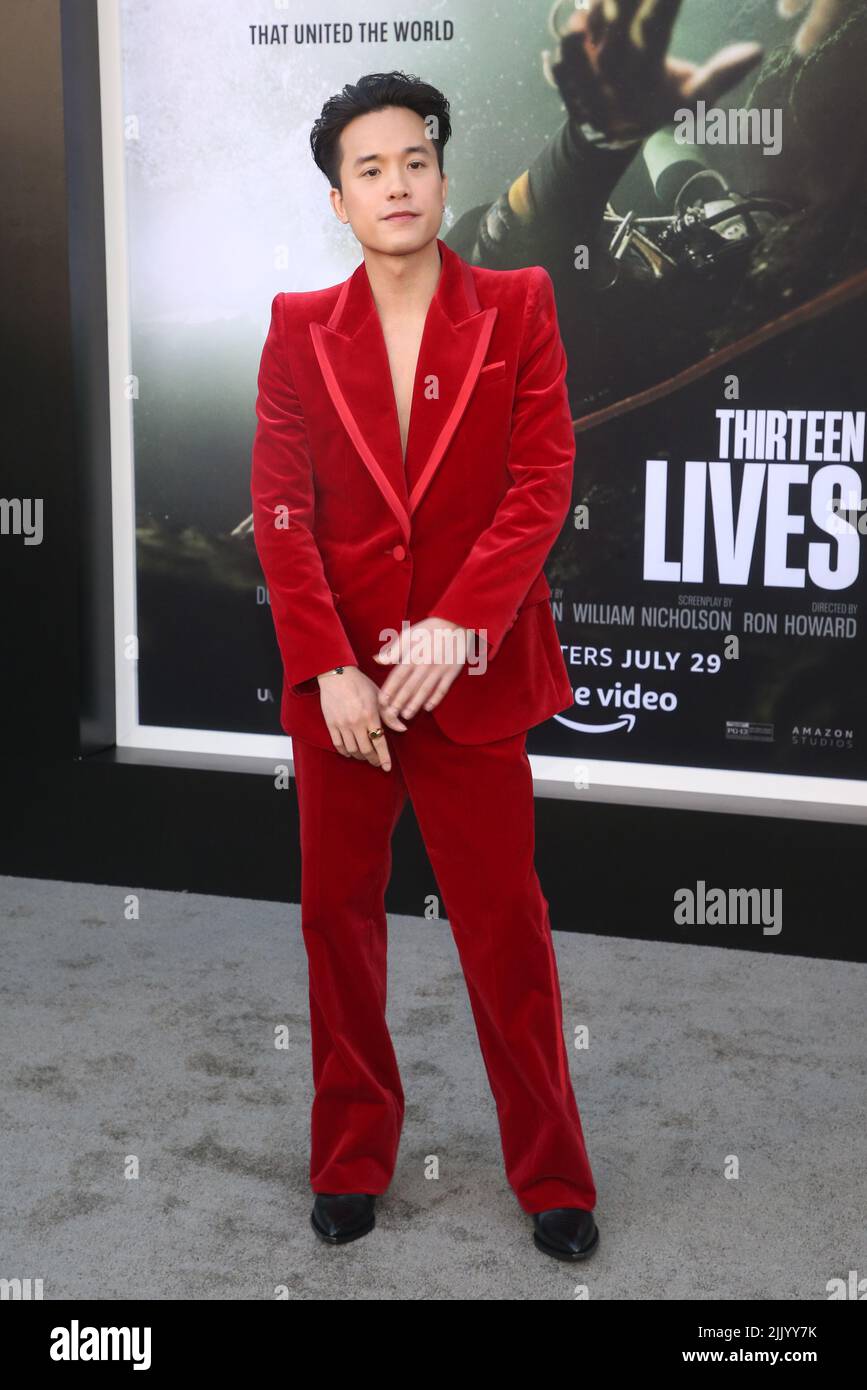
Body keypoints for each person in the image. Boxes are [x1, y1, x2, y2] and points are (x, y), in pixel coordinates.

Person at [250, 71, 598, 1261]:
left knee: (507, 929)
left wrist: (462, 625)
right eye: (369, 169)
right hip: (343, 692)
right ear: (338, 202)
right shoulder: (299, 324)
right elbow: (281, 509)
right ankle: (350, 1155)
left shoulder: (519, 302)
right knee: (337, 924)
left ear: (443, 177)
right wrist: (330, 668)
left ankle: (554, 1174)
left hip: (470, 680)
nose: (396, 184)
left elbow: (540, 478)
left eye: (414, 160)